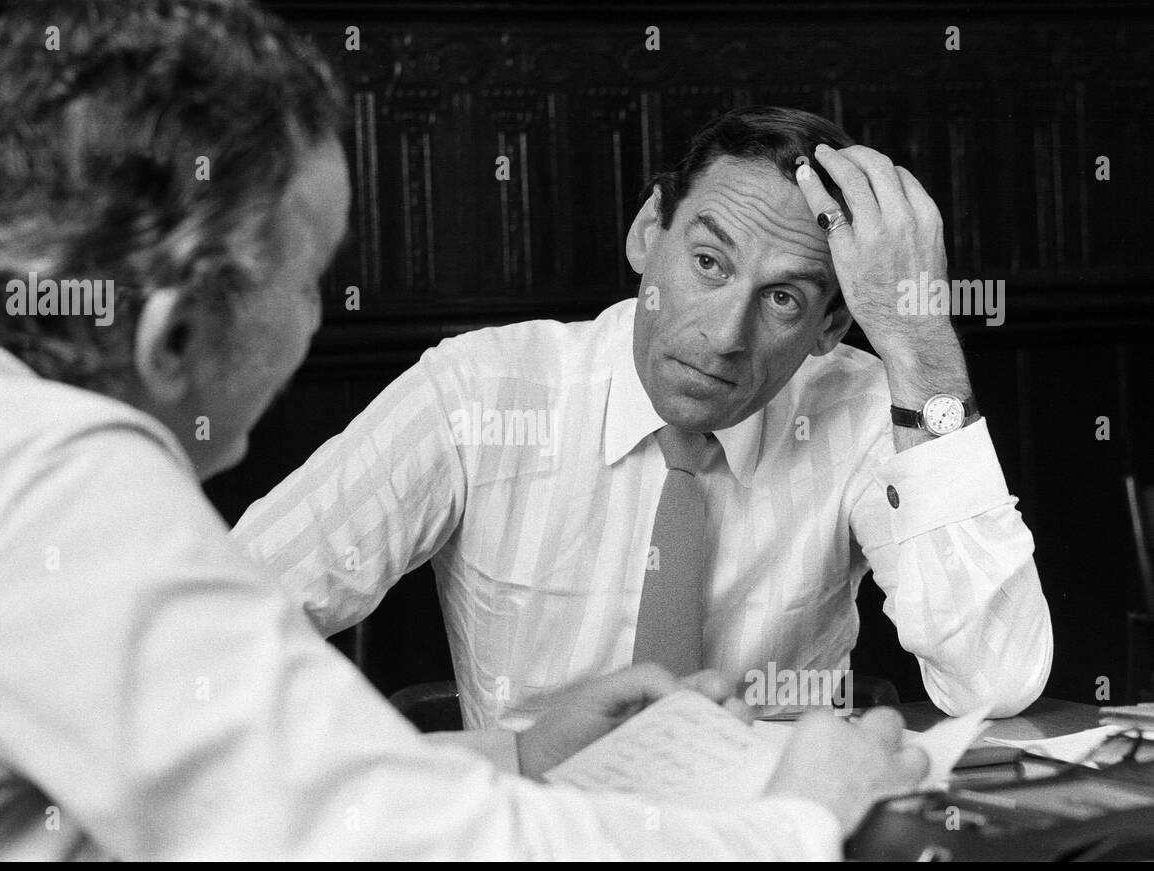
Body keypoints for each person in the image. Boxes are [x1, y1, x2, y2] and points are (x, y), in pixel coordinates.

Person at [0, 0, 927, 861]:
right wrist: (796, 822)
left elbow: (262, 792)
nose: (324, 312)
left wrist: (515, 756)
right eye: (315, 278)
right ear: (172, 340)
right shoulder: (50, 486)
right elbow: (360, 839)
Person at [233, 105, 1053, 732]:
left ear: (830, 328)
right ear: (645, 233)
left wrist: (917, 339)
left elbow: (997, 677)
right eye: (707, 263)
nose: (722, 337)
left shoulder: (869, 407)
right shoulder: (481, 394)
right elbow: (222, 613)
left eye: (783, 298)